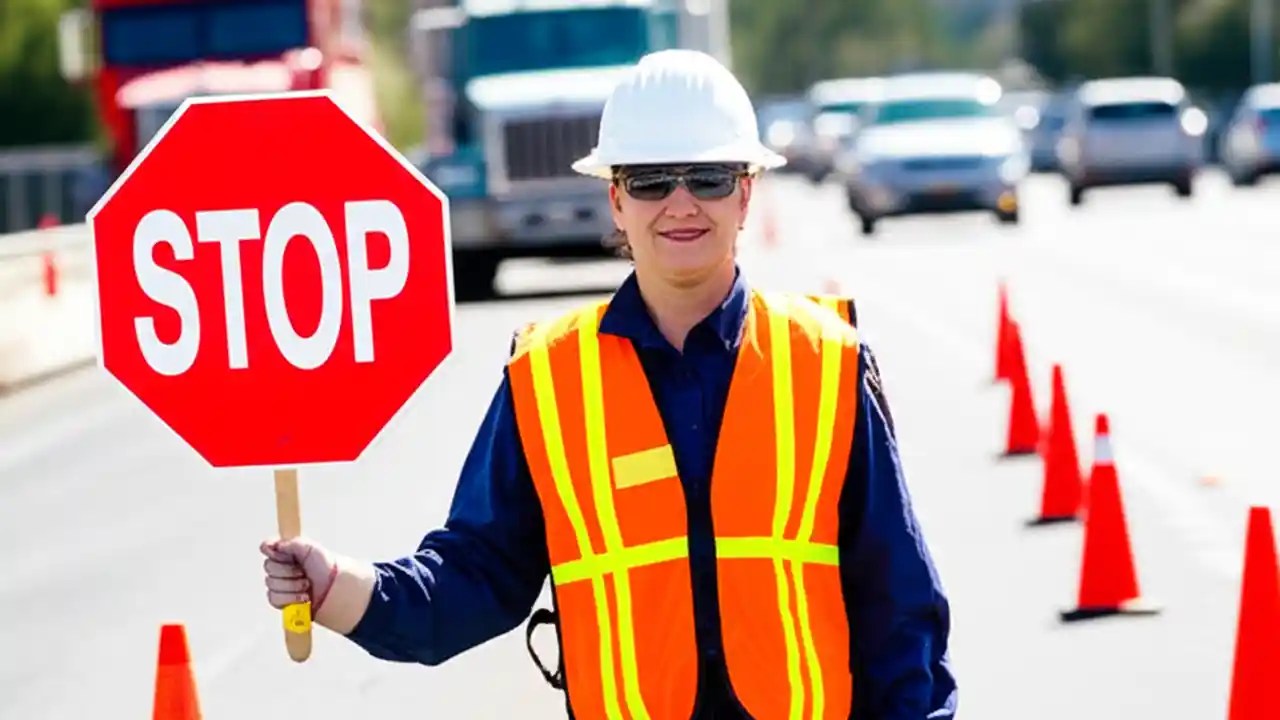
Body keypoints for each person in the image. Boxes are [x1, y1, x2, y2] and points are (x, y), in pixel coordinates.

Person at [261, 49, 956, 719]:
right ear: (616, 200)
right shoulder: (548, 378)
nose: (681, 202)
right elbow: (475, 577)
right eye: (652, 180)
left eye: (708, 177)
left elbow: (899, 604)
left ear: (745, 194)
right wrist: (342, 590)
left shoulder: (825, 361)